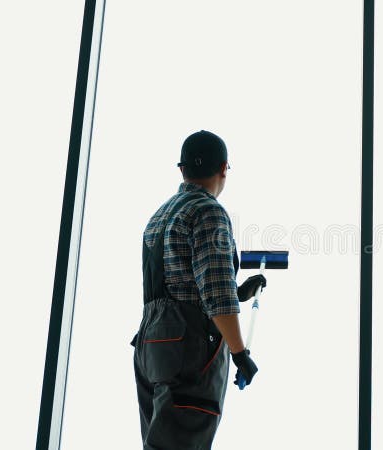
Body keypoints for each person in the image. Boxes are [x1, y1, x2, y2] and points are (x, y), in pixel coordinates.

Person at [130, 130, 266, 449]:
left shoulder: (159, 216)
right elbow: (216, 299)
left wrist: (239, 291)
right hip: (188, 352)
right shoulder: (209, 212)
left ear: (182, 169)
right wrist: (240, 353)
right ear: (223, 168)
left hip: (152, 348)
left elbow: (182, 284)